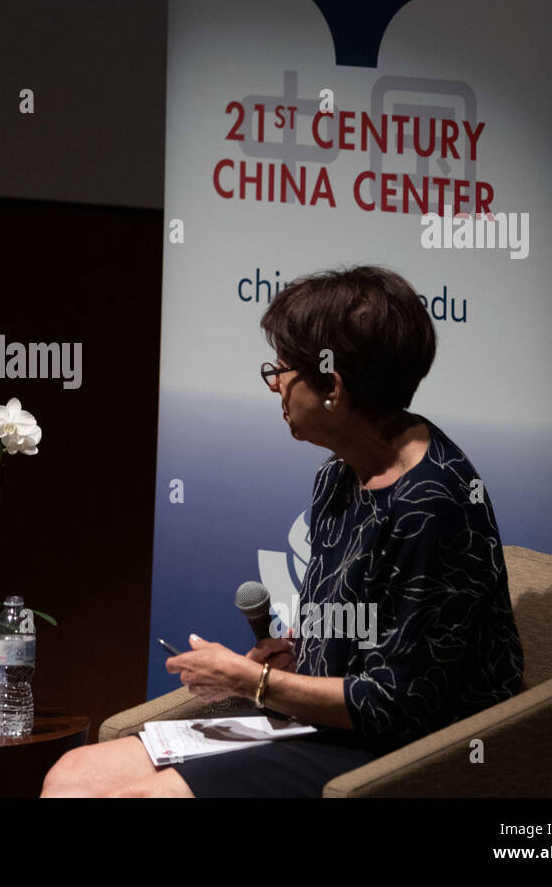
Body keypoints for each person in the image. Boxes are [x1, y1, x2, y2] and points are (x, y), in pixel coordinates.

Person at [41, 264, 524, 797]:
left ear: (332, 387)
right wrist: (299, 656)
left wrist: (253, 681)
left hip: (404, 751)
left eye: (284, 368)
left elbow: (399, 704)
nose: (275, 383)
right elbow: (354, 630)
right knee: (73, 774)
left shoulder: (432, 505)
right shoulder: (339, 473)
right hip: (323, 726)